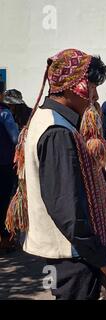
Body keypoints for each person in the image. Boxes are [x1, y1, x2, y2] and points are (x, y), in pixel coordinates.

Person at [5, 49, 106, 300]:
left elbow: (86, 177)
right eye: (92, 86)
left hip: (78, 253)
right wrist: (103, 258)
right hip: (74, 257)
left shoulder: (60, 121)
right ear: (77, 86)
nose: (95, 95)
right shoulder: (56, 130)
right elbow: (66, 207)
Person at [0, 81, 19, 252]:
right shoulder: (5, 114)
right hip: (4, 164)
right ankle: (6, 239)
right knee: (5, 202)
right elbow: (16, 139)